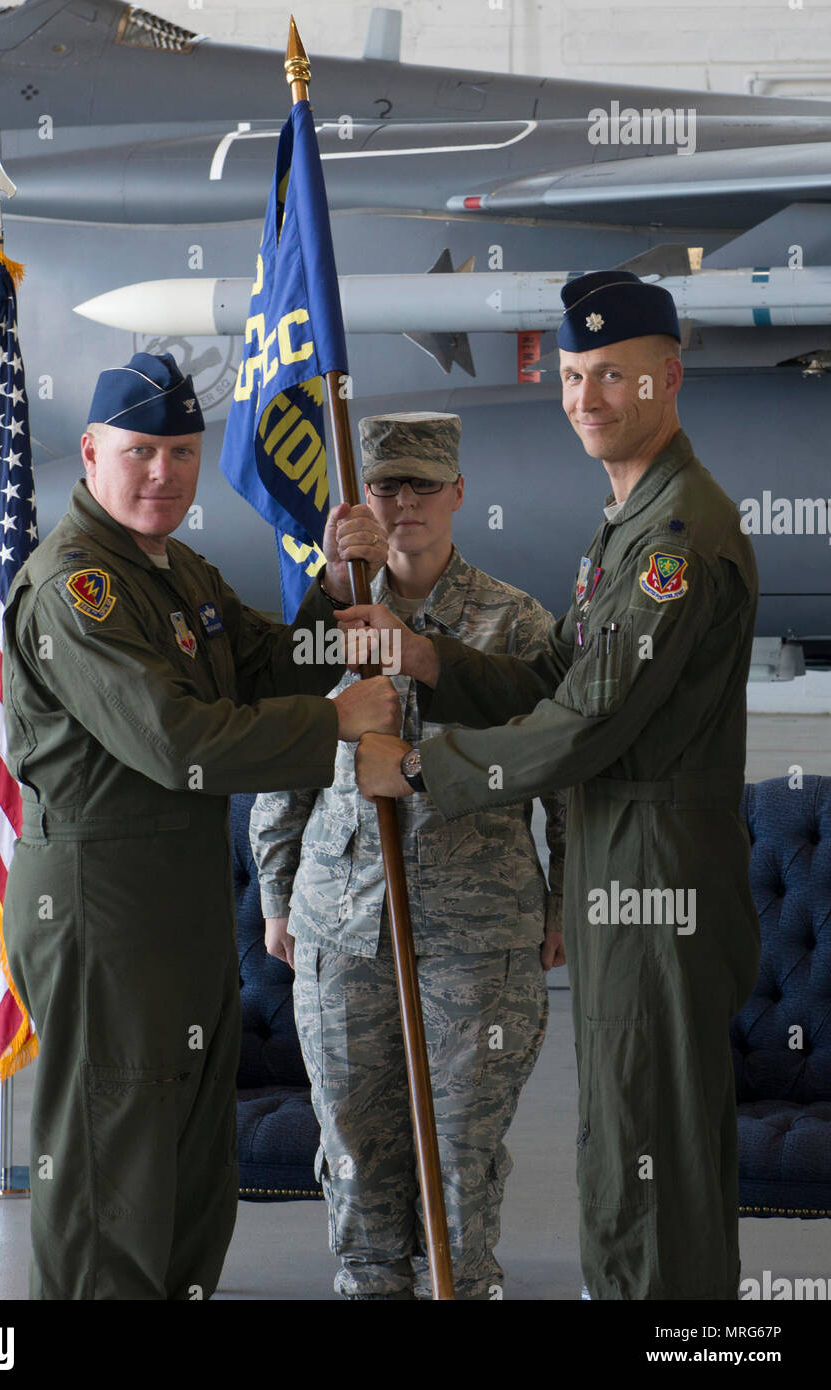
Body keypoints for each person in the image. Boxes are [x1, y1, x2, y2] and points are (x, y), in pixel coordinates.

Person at [349, 273, 761, 1301]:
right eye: (572, 376)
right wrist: (427, 658)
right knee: (632, 1136)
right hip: (624, 866)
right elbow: (553, 682)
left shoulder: (672, 539)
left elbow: (585, 724)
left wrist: (414, 769)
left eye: (610, 376)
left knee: (644, 1151)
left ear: (666, 377)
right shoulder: (628, 519)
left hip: (652, 873)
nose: (584, 398)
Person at [1, 352, 400, 1300]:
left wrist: (337, 595)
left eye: (182, 453)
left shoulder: (173, 569)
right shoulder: (78, 587)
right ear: (91, 452)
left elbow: (267, 663)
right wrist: (339, 726)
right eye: (140, 452)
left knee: (187, 1161)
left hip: (173, 906)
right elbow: (175, 737)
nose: (163, 474)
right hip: (103, 910)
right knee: (118, 1170)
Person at [249, 411, 566, 1301]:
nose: (406, 502)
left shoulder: (515, 621)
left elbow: (563, 767)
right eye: (388, 485)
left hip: (480, 931)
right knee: (352, 1142)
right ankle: (367, 1285)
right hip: (341, 922)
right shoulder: (329, 615)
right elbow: (283, 753)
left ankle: (460, 1285)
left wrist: (566, 897)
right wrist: (276, 894)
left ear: (459, 493)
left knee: (461, 1147)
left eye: (426, 484)